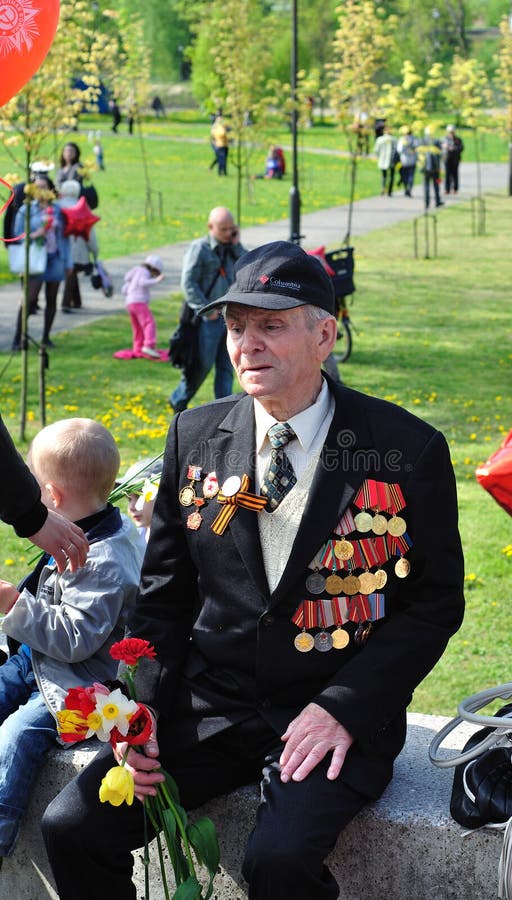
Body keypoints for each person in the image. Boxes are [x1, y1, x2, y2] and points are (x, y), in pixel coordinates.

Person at [42, 241, 465, 900]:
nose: (247, 344)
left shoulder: (403, 450)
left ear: (324, 334)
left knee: (278, 863)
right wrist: (138, 712)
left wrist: (344, 708)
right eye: (236, 326)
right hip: (210, 707)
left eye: (271, 325)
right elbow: (163, 600)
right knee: (72, 826)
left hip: (330, 712)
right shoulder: (195, 434)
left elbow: (434, 604)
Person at [0, 418, 144, 860]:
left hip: (78, 685)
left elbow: (75, 639)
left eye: (34, 488)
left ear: (54, 497)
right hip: (37, 662)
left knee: (17, 733)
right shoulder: (91, 529)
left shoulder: (103, 559)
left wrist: (13, 605)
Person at [168, 207, 246, 412]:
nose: (228, 233)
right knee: (201, 365)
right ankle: (178, 400)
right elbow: (188, 283)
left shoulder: (233, 248)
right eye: (223, 229)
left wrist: (236, 245)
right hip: (208, 319)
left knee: (227, 366)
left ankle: (225, 408)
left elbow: (248, 268)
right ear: (211, 227)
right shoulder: (199, 248)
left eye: (231, 229)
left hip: (230, 318)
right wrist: (206, 310)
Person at [0, 414, 88, 572]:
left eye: (36, 485)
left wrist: (14, 597)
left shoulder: (84, 563)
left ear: (54, 495)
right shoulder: (123, 531)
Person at [11, 174, 72, 351]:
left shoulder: (58, 211)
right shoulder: (26, 210)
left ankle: (46, 337)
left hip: (55, 258)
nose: (41, 191)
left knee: (51, 299)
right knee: (28, 299)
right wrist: (36, 234)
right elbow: (18, 235)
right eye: (38, 187)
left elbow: (65, 238)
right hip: (35, 259)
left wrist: (68, 263)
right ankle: (19, 337)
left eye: (44, 187)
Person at [58, 179, 98, 313]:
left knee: (71, 273)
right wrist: (94, 251)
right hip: (78, 247)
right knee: (72, 272)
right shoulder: (82, 208)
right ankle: (66, 303)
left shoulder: (57, 207)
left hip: (60, 245)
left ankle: (76, 301)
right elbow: (90, 233)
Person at [122, 254, 165, 359]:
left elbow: (127, 281)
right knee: (149, 323)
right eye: (155, 273)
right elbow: (143, 283)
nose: (153, 275)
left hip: (130, 302)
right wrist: (157, 280)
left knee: (137, 326)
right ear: (153, 268)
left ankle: (138, 347)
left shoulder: (136, 271)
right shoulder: (144, 272)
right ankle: (148, 345)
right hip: (139, 301)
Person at [118, 456, 163, 544]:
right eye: (129, 499)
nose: (132, 507)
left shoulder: (172, 539)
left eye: (139, 497)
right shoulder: (136, 538)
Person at [420, 128, 444, 210]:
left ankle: (427, 203)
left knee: (426, 185)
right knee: (436, 184)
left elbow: (420, 154)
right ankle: (437, 201)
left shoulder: (422, 141)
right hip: (435, 168)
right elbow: (440, 154)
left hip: (425, 168)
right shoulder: (436, 141)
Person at [374, 125, 398, 197]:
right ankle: (389, 191)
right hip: (392, 161)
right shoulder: (394, 139)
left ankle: (383, 188)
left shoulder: (380, 139)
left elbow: (376, 150)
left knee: (384, 176)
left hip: (383, 160)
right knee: (391, 176)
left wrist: (379, 157)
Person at [442, 125, 464, 195]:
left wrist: (454, 148)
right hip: (447, 159)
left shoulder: (458, 140)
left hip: (455, 159)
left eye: (452, 132)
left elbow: (461, 148)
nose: (451, 133)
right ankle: (447, 189)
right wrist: (444, 147)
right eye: (450, 132)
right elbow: (440, 147)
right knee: (447, 175)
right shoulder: (444, 139)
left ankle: (455, 189)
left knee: (455, 174)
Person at [397, 127, 418, 198]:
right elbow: (417, 148)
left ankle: (406, 188)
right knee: (411, 176)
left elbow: (399, 150)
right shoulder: (414, 139)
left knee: (405, 176)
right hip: (412, 160)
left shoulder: (402, 139)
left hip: (404, 160)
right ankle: (409, 189)